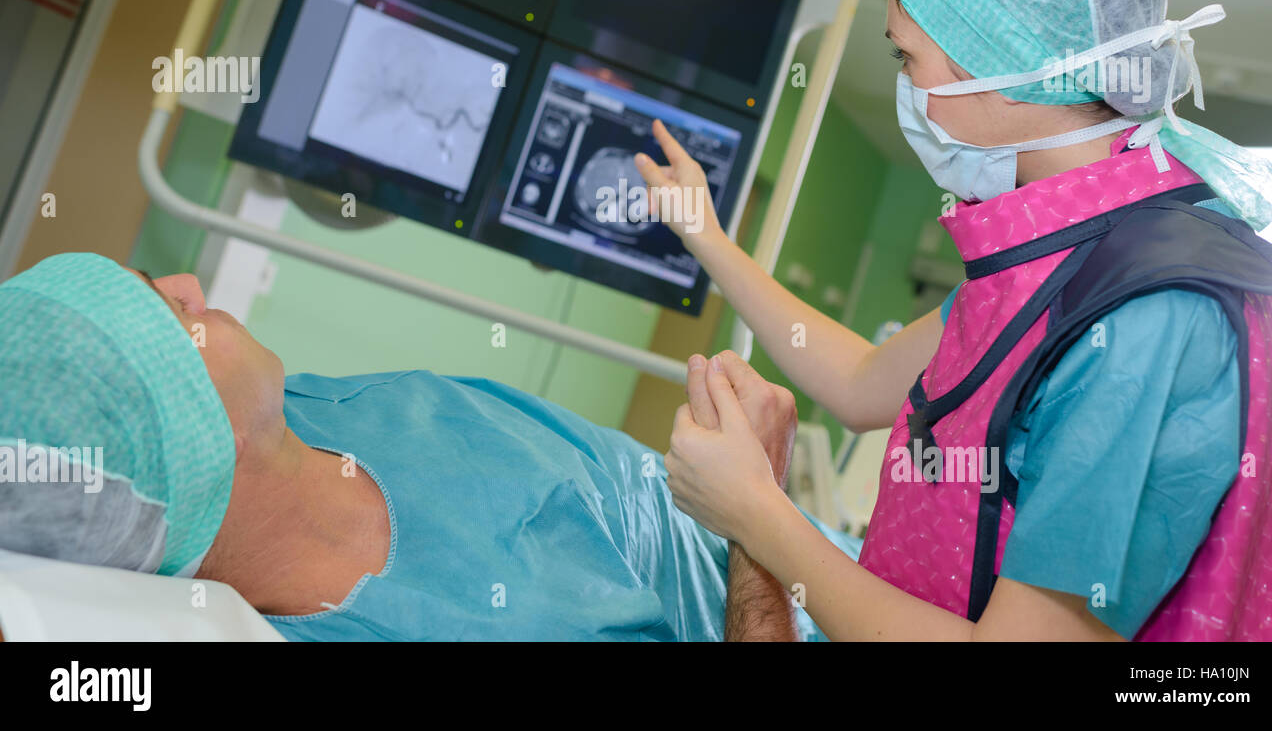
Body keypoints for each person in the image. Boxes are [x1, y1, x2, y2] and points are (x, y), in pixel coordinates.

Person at [636, 0, 1272, 640]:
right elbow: (856, 382)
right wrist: (706, 236)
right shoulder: (1063, 257)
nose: (907, 90)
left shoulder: (1146, 314)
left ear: (1007, 67)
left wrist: (756, 511)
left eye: (907, 58)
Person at [0, 251, 860, 641]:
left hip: (852, 569)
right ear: (191, 430)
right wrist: (759, 522)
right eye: (175, 313)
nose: (194, 285)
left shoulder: (301, 411)